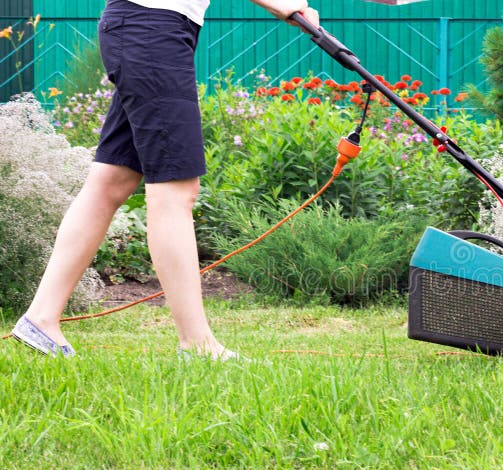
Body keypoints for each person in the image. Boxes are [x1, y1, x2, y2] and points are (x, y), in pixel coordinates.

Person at [11, 0, 320, 359]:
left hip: (148, 28)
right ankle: (197, 344)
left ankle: (40, 319)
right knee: (176, 188)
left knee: (113, 179)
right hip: (151, 29)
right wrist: (285, 5)